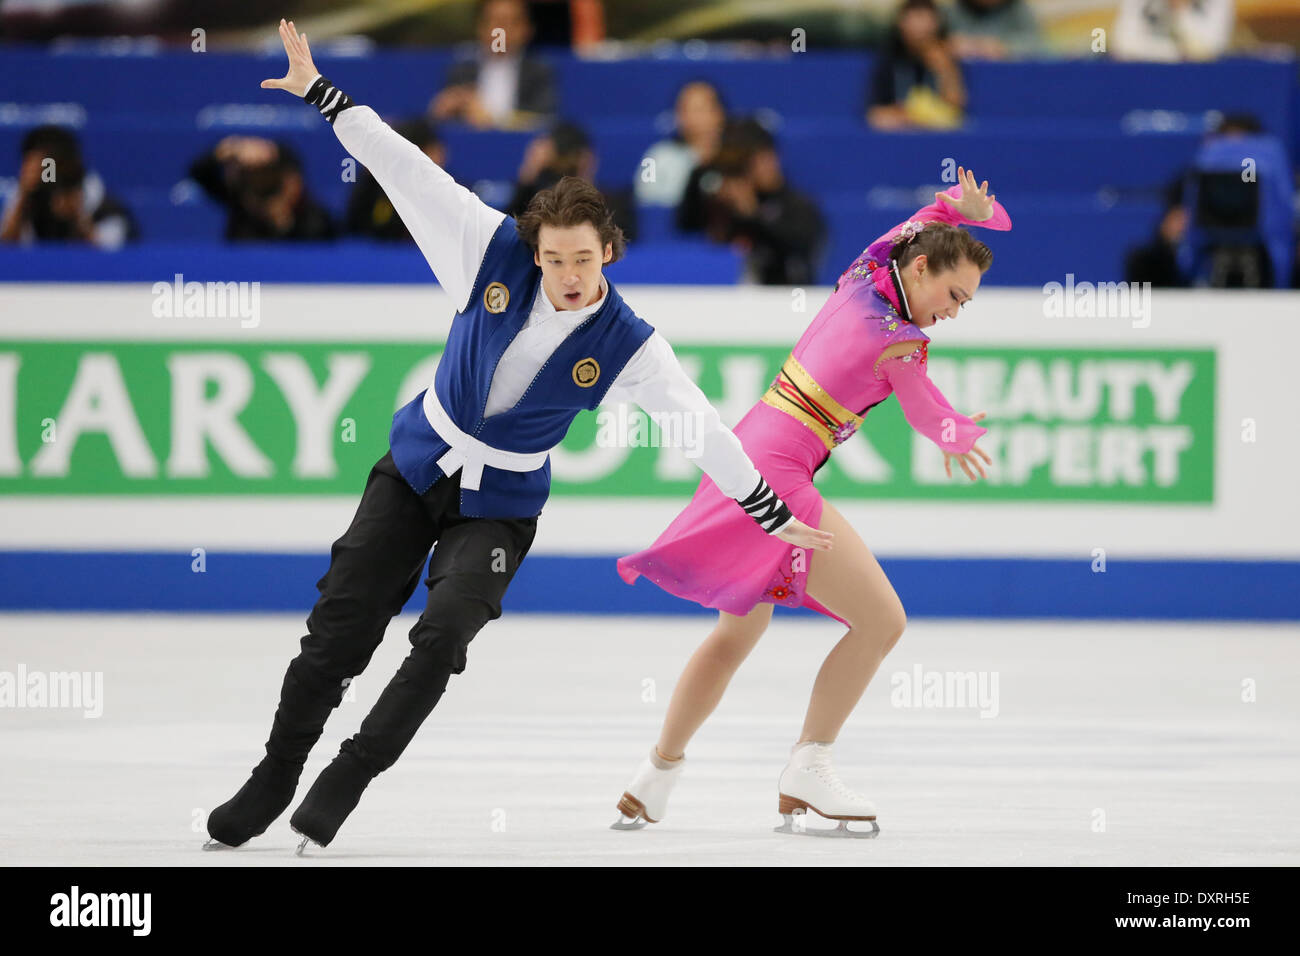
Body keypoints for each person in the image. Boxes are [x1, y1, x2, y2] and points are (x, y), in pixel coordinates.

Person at [203, 18, 831, 853]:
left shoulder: (630, 343)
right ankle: (274, 774)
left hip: (500, 508)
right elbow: (400, 165)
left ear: (609, 251)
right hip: (417, 466)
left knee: (444, 635)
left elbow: (699, 427)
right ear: (534, 251)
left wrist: (764, 504)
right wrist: (324, 94)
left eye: (586, 260)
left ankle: (347, 776)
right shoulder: (485, 245)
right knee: (337, 636)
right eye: (556, 260)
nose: (571, 277)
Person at [614, 166, 1011, 837]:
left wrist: (954, 208)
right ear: (918, 270)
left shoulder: (867, 271)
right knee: (883, 620)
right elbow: (925, 413)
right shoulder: (901, 342)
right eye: (953, 294)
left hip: (745, 454)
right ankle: (810, 763)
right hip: (779, 474)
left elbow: (912, 231)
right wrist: (960, 431)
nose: (954, 310)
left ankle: (655, 776)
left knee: (738, 631)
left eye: (965, 302)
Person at [677, 117, 825, 285]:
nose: (758, 167)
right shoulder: (724, 200)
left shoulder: (797, 204)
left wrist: (753, 214)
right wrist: (704, 170)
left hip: (782, 296)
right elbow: (685, 226)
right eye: (747, 162)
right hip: (719, 296)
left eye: (762, 157)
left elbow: (799, 249)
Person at [0, 125, 135, 248]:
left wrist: (77, 217)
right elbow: (7, 253)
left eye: (53, 165)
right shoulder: (26, 197)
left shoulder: (106, 207)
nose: (49, 174)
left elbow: (109, 259)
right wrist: (24, 196)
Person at [429, 0, 557, 129]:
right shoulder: (462, 70)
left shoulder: (539, 72)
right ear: (480, 27)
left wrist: (492, 118)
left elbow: (543, 119)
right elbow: (441, 121)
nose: (502, 31)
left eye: (510, 23)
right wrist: (445, 108)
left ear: (526, 29)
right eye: (496, 22)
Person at [505, 120, 637, 241]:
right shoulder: (535, 205)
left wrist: (584, 174)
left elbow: (621, 246)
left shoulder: (614, 205)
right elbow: (507, 233)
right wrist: (529, 174)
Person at [188, 136, 335, 241]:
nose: (263, 183)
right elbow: (198, 173)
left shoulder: (314, 219)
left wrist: (286, 225)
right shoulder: (241, 208)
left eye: (271, 175)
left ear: (294, 182)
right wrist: (227, 149)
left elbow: (329, 252)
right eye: (255, 176)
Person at [867, 0, 966, 131]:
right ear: (900, 24)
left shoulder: (947, 59)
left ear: (937, 24)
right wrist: (908, 117)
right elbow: (875, 114)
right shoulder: (888, 60)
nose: (919, 28)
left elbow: (957, 109)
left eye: (925, 19)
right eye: (913, 19)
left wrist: (946, 70)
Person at [345, 120, 448, 241]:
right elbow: (355, 229)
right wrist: (370, 178)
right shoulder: (377, 189)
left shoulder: (452, 192)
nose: (440, 155)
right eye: (431, 151)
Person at [635, 80, 727, 208]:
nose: (689, 116)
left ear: (719, 113)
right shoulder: (656, 157)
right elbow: (645, 197)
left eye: (699, 109)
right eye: (683, 109)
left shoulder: (737, 157)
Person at [1112, 0, 1235, 62]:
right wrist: (1173, 53)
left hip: (1197, 84)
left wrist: (1181, 10)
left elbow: (1209, 49)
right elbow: (1123, 44)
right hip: (1147, 78)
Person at [945, 0, 1047, 60]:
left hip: (1007, 79)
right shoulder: (952, 11)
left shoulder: (1017, 8)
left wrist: (1005, 48)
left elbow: (1039, 45)